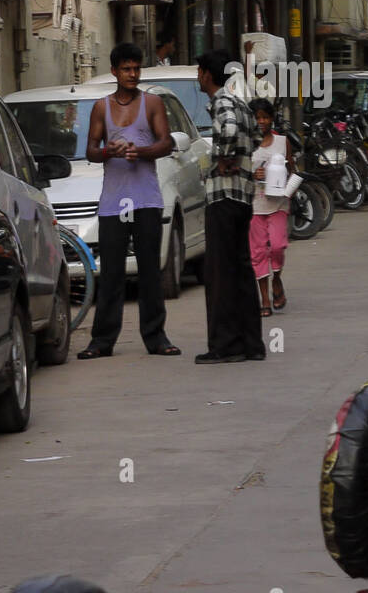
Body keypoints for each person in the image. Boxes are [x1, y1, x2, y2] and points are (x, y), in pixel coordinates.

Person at [77, 42, 180, 359]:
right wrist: (110, 151)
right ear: (114, 72)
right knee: (111, 273)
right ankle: (102, 340)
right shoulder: (101, 108)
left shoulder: (152, 103)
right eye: (126, 69)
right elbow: (91, 151)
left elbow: (166, 143)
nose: (132, 74)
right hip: (113, 203)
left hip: (146, 200)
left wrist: (141, 151)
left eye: (136, 68)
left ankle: (156, 337)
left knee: (150, 271)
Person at [195, 49, 265, 364]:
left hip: (224, 196)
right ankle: (251, 343)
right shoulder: (241, 101)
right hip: (243, 197)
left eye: (199, 71)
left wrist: (224, 157)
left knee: (220, 272)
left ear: (207, 74)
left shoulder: (223, 101)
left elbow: (229, 129)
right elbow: (257, 133)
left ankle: (224, 345)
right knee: (241, 269)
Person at [250, 98, 293, 317]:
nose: (261, 122)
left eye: (265, 117)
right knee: (257, 253)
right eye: (257, 118)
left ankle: (277, 279)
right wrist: (252, 174)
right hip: (255, 205)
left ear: (272, 119)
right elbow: (237, 172)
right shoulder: (247, 144)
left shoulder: (282, 142)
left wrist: (288, 191)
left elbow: (293, 171)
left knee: (277, 246)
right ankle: (265, 299)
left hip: (278, 204)